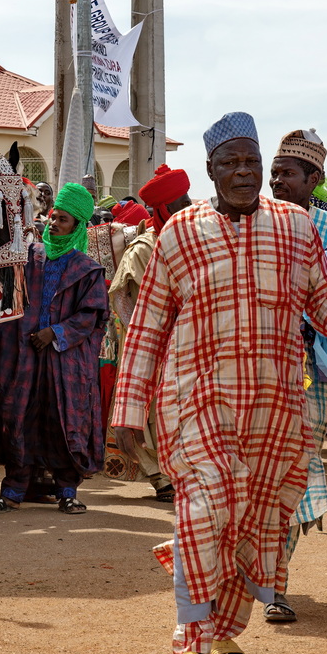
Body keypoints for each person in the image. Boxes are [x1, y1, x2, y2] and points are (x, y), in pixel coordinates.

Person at [112, 112, 327, 654]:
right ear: (211, 171)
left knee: (250, 522)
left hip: (276, 407)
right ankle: (190, 640)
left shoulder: (296, 229)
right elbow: (148, 327)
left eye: (251, 161)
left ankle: (225, 630)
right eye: (231, 164)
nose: (244, 173)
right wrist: (128, 412)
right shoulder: (178, 234)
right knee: (206, 510)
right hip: (197, 401)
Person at [0, 183, 109, 515]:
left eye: (63, 220)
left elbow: (92, 316)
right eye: (53, 217)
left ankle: (67, 491)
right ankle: (12, 492)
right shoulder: (29, 257)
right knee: (17, 418)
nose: (54, 223)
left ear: (77, 226)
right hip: (23, 358)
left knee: (63, 422)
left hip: (64, 364)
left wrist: (55, 333)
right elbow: (7, 296)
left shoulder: (87, 269)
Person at [266, 128, 327, 622]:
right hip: (254, 368)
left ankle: (278, 585)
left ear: (313, 178)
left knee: (295, 471)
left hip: (309, 374)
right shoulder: (255, 221)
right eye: (275, 173)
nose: (278, 182)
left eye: (289, 174)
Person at [109, 164, 192, 502]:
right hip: (155, 340)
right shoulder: (145, 250)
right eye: (181, 203)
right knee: (154, 408)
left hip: (193, 340)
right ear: (164, 210)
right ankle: (160, 476)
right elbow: (140, 303)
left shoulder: (197, 238)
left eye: (188, 199)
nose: (189, 207)